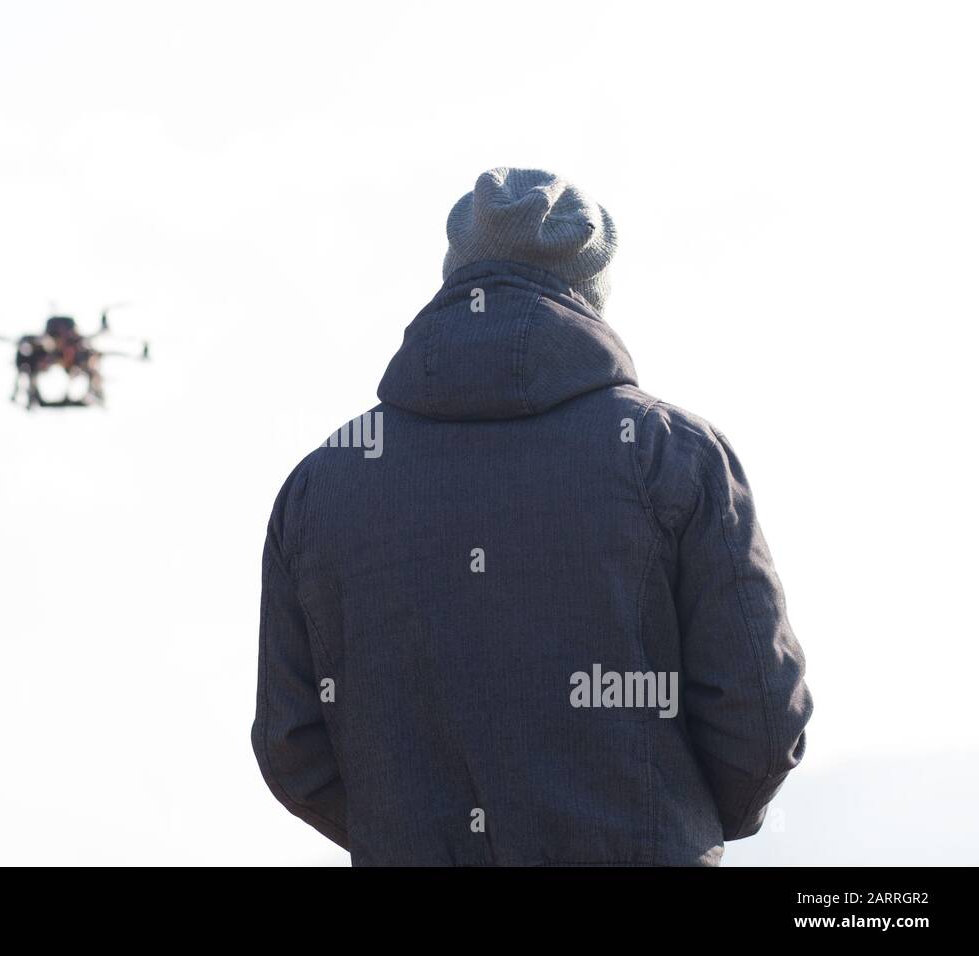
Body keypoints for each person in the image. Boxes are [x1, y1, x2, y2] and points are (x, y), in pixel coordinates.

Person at [250, 167, 813, 866]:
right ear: (594, 293)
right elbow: (759, 716)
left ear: (455, 277)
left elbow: (292, 745)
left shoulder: (322, 483)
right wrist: (673, 828)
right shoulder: (674, 456)